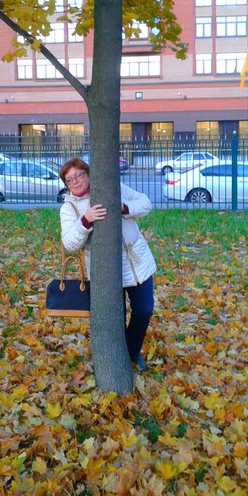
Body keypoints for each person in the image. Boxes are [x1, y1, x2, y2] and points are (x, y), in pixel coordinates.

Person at [59, 157, 156, 371]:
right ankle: (121, 357)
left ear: (89, 174)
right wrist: (86, 219)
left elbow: (145, 203)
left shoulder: (113, 188)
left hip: (136, 261)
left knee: (144, 310)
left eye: (79, 175)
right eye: (69, 179)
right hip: (105, 269)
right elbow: (70, 243)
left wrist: (124, 208)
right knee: (116, 317)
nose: (75, 181)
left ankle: (132, 351)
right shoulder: (69, 208)